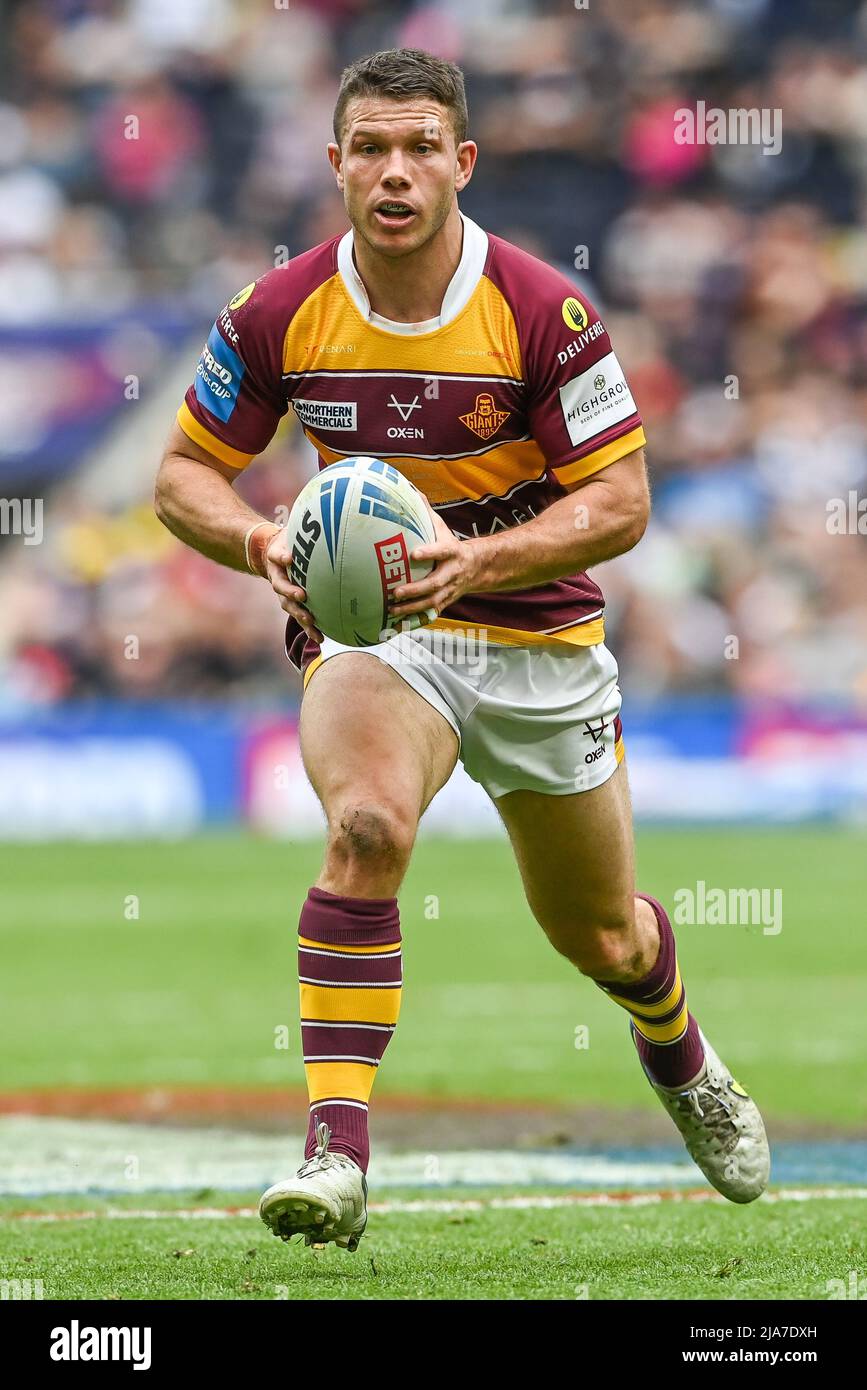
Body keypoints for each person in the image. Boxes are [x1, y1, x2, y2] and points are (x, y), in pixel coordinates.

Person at [155, 47, 769, 1252]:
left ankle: (681, 1053)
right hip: (383, 632)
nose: (396, 171)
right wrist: (259, 538)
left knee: (603, 935)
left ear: (462, 163)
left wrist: (477, 561)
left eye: (420, 147)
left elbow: (624, 503)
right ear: (335, 165)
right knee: (365, 828)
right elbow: (183, 474)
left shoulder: (545, 309)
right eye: (371, 148)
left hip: (539, 636)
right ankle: (337, 1149)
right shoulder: (278, 313)